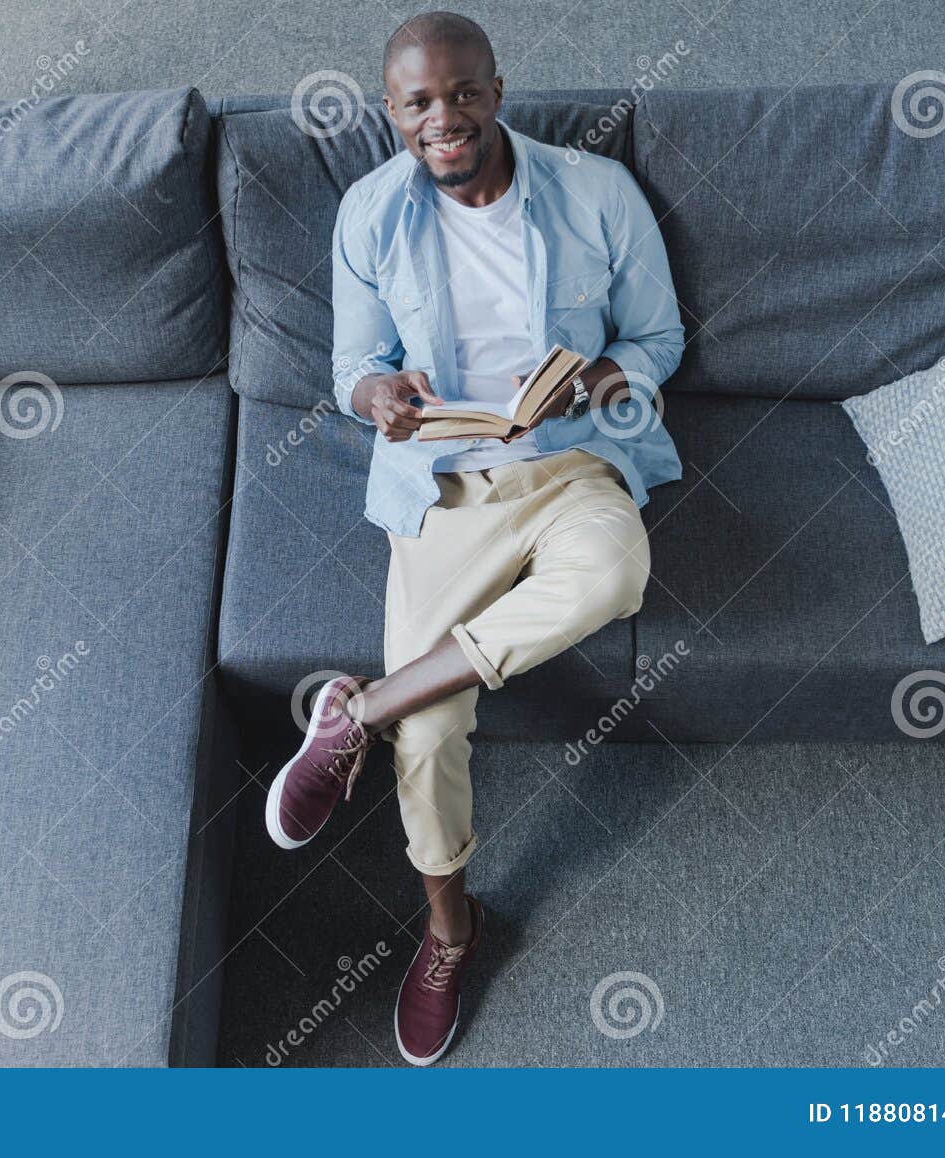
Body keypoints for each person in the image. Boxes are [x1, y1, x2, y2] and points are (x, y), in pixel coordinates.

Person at [265, 10, 684, 1066]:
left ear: (496, 91)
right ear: (390, 112)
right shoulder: (369, 215)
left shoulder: (595, 194)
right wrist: (380, 395)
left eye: (462, 95)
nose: (443, 120)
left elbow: (659, 334)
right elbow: (349, 367)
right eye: (418, 103)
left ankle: (356, 710)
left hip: (574, 459)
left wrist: (612, 374)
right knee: (435, 734)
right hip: (447, 482)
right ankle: (450, 931)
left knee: (616, 571)